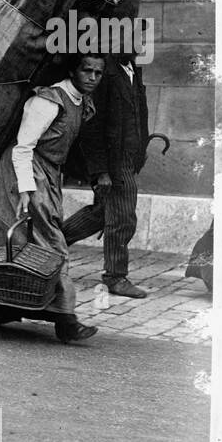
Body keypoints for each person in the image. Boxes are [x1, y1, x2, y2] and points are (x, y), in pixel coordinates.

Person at [0, 52, 107, 343]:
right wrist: (26, 189)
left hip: (48, 173)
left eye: (98, 72)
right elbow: (23, 147)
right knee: (46, 243)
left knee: (22, 243)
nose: (92, 77)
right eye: (87, 70)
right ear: (73, 70)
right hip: (24, 170)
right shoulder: (47, 101)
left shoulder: (81, 102)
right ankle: (66, 320)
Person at [62, 53, 151, 298]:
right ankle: (115, 276)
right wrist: (101, 171)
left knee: (103, 213)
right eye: (134, 37)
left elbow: (138, 114)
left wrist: (140, 151)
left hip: (130, 157)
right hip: (113, 161)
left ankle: (49, 242)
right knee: (122, 218)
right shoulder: (105, 72)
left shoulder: (133, 69)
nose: (140, 44)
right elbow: (92, 126)